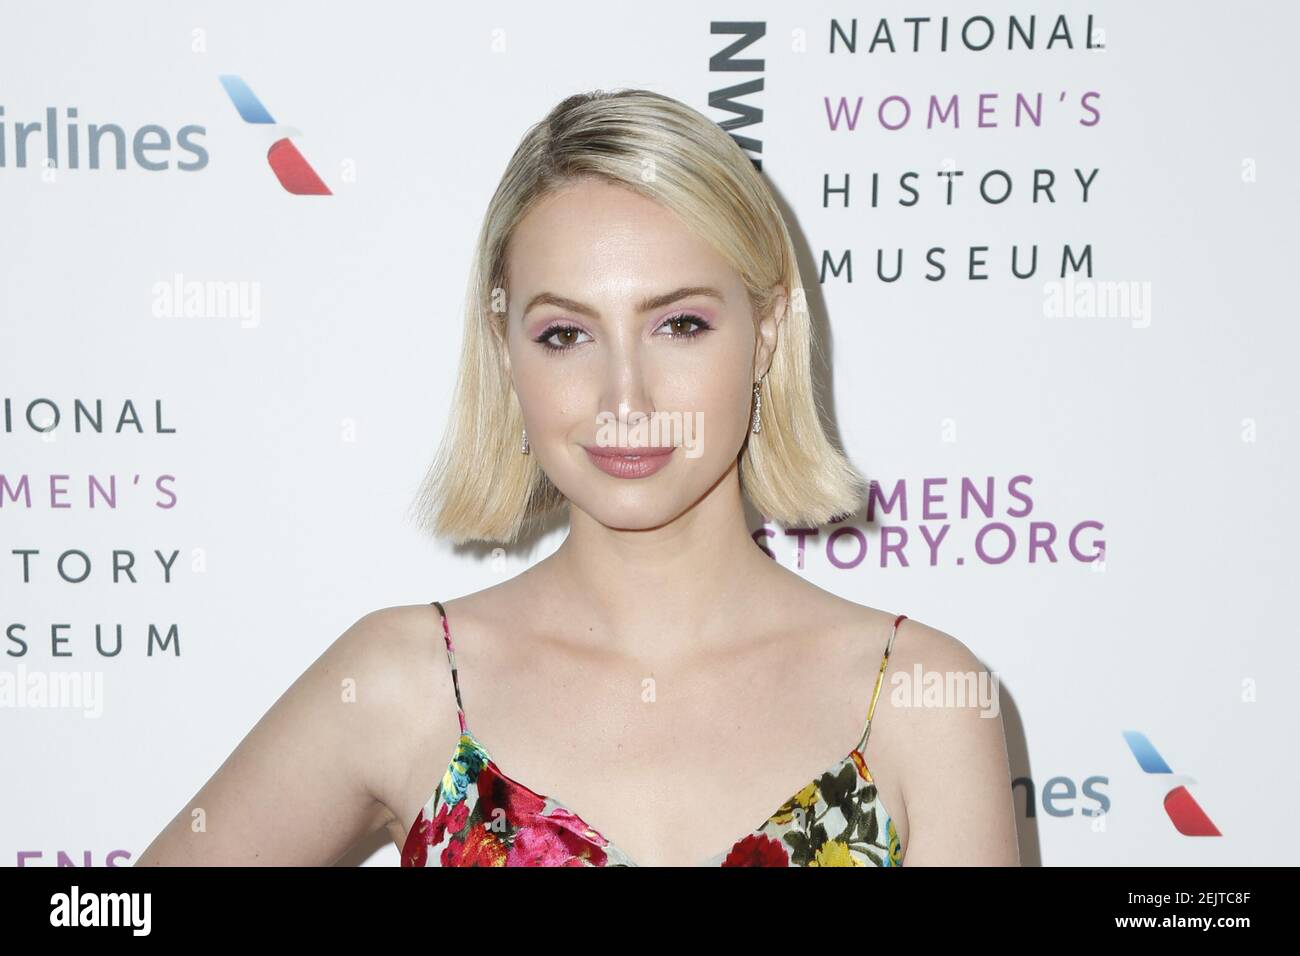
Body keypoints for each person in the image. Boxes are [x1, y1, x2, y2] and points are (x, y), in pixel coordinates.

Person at [136, 89, 1019, 867]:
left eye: (679, 325)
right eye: (566, 335)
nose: (624, 398)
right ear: (505, 351)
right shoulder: (406, 683)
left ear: (768, 333)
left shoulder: (920, 702)